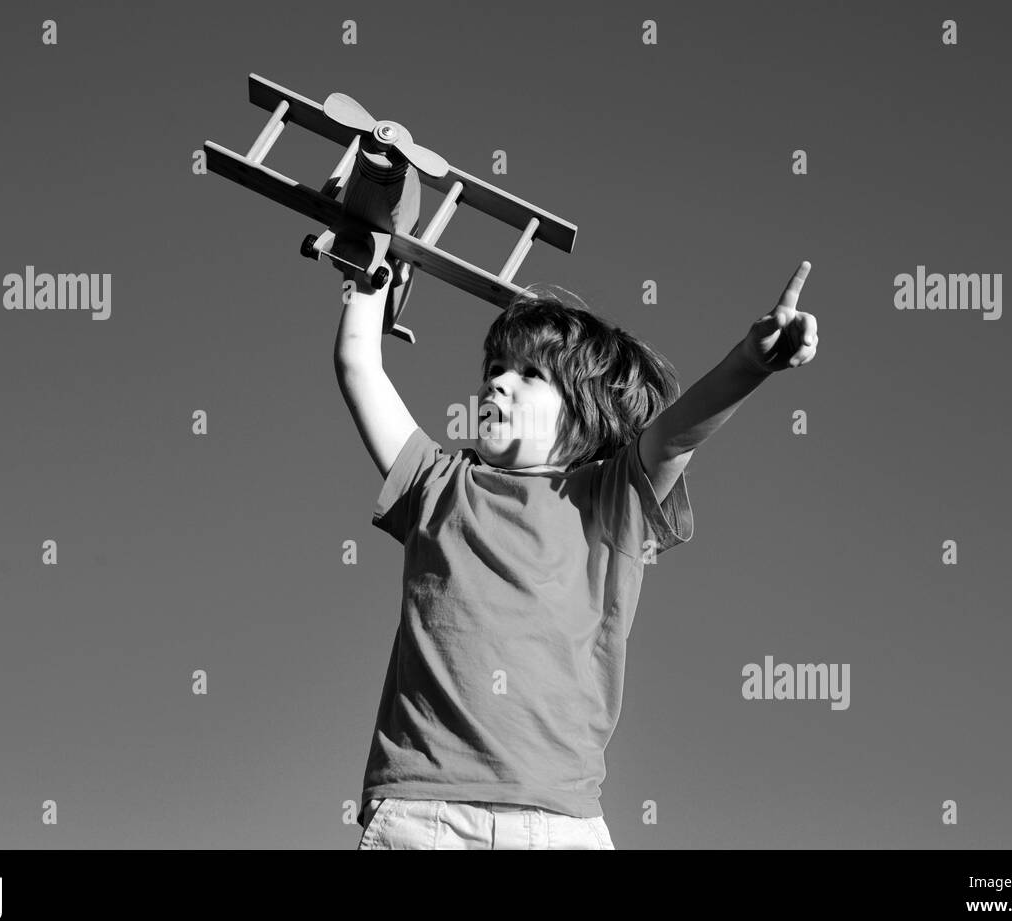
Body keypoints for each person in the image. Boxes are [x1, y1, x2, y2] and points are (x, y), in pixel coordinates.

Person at [333, 262, 819, 849]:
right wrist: (368, 275)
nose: (496, 384)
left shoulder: (608, 499)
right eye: (494, 368)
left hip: (557, 821)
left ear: (584, 412)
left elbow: (679, 434)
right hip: (422, 811)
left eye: (529, 373)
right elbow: (359, 367)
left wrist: (751, 364)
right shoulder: (437, 484)